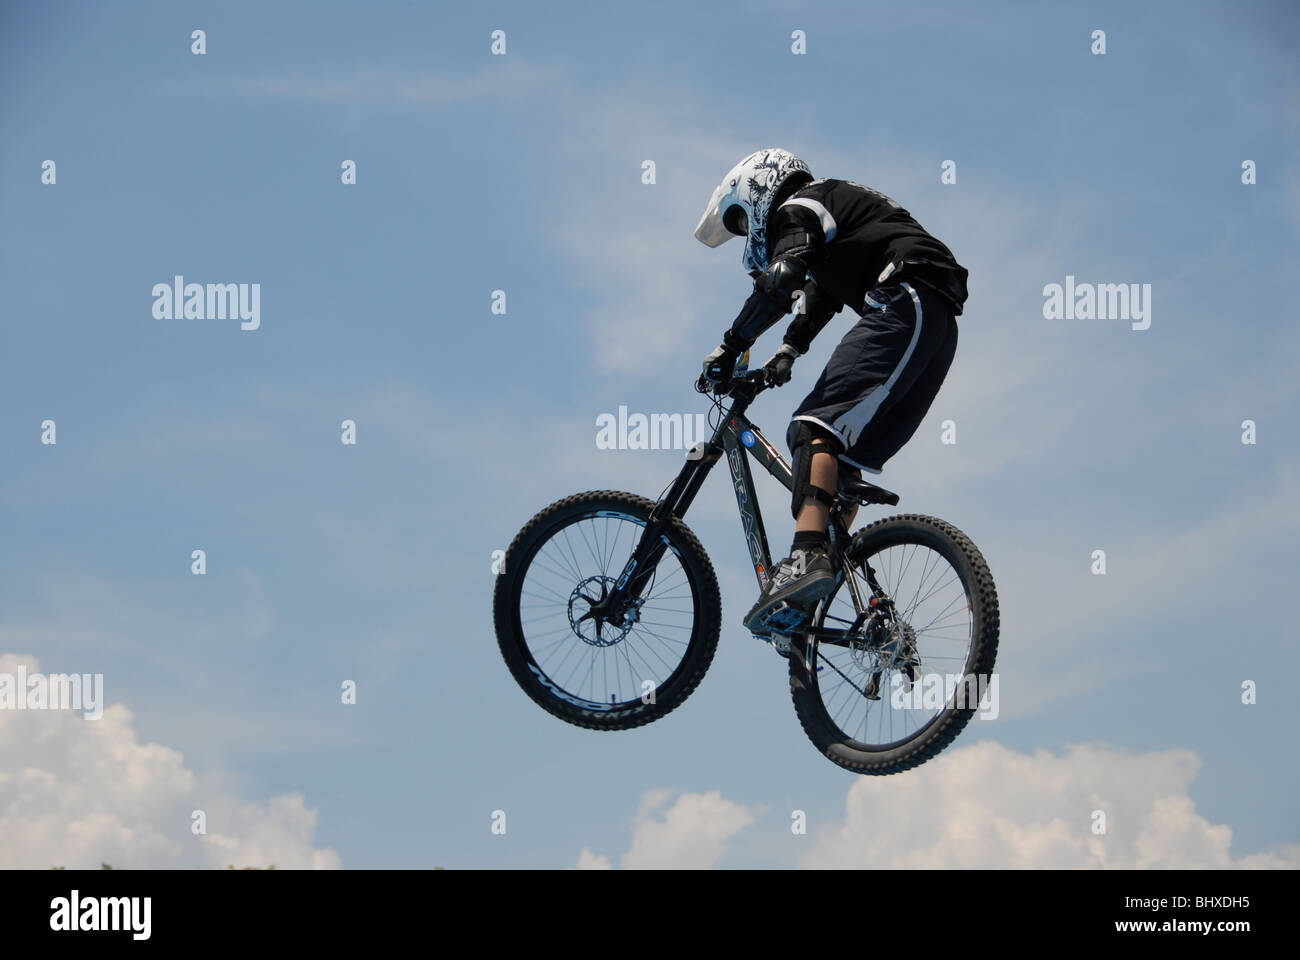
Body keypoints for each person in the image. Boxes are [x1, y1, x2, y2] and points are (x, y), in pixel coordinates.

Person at [694, 148, 969, 636]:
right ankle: (829, 588)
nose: (743, 232)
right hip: (934, 325)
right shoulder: (834, 214)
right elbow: (819, 299)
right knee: (839, 464)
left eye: (738, 220)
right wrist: (787, 352)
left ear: (757, 188)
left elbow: (783, 280)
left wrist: (730, 345)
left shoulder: (800, 205)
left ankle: (805, 560)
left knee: (810, 429)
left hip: (905, 300)